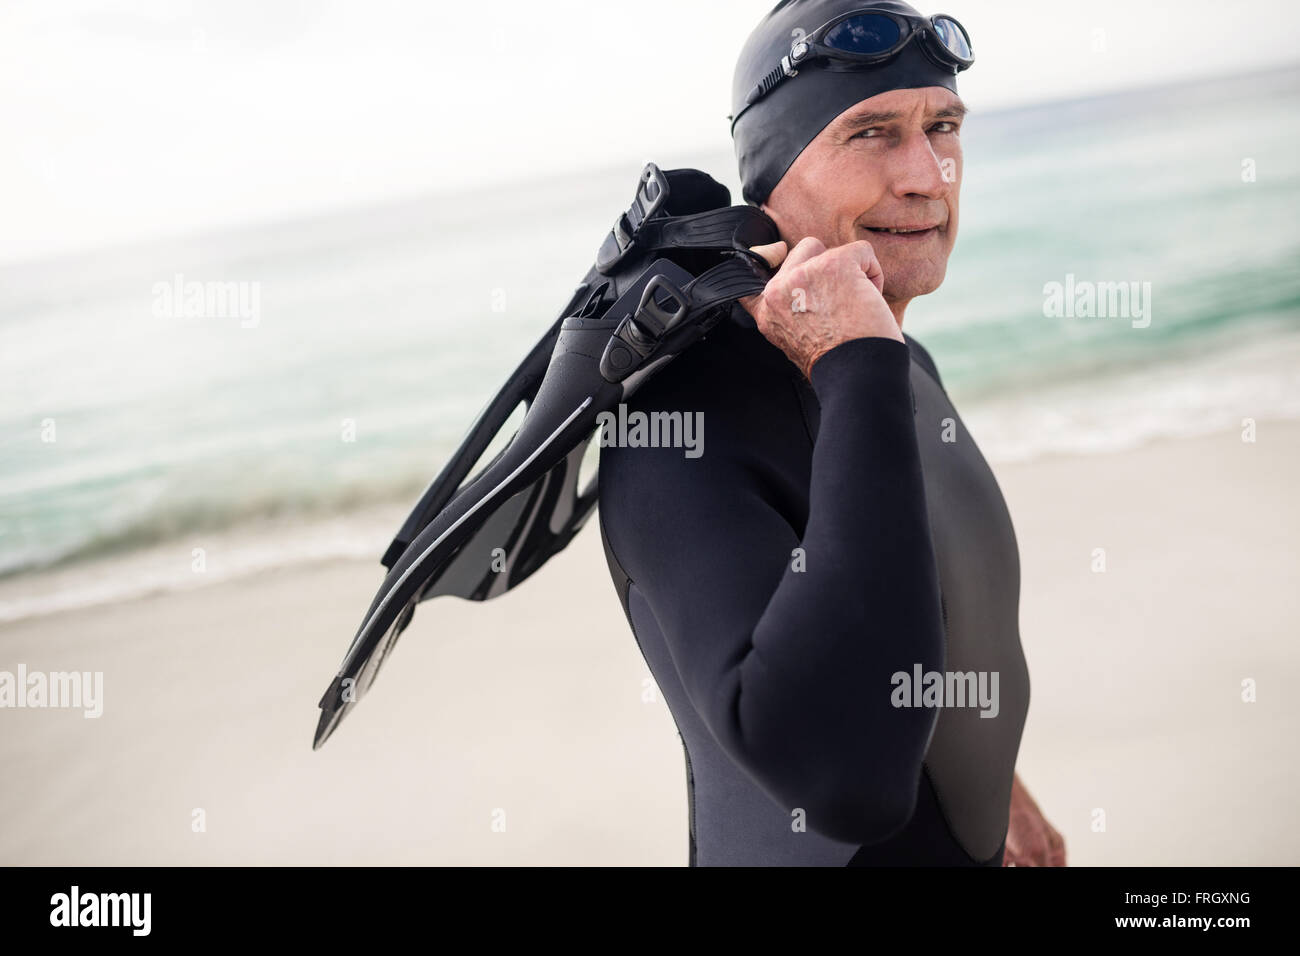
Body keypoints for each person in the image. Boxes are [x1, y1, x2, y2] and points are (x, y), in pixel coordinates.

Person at [597, 0, 1066, 866]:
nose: (928, 175)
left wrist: (993, 788)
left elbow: (913, 614)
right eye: (871, 133)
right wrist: (855, 366)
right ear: (773, 175)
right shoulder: (680, 432)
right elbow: (847, 778)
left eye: (943, 126)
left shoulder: (896, 365)